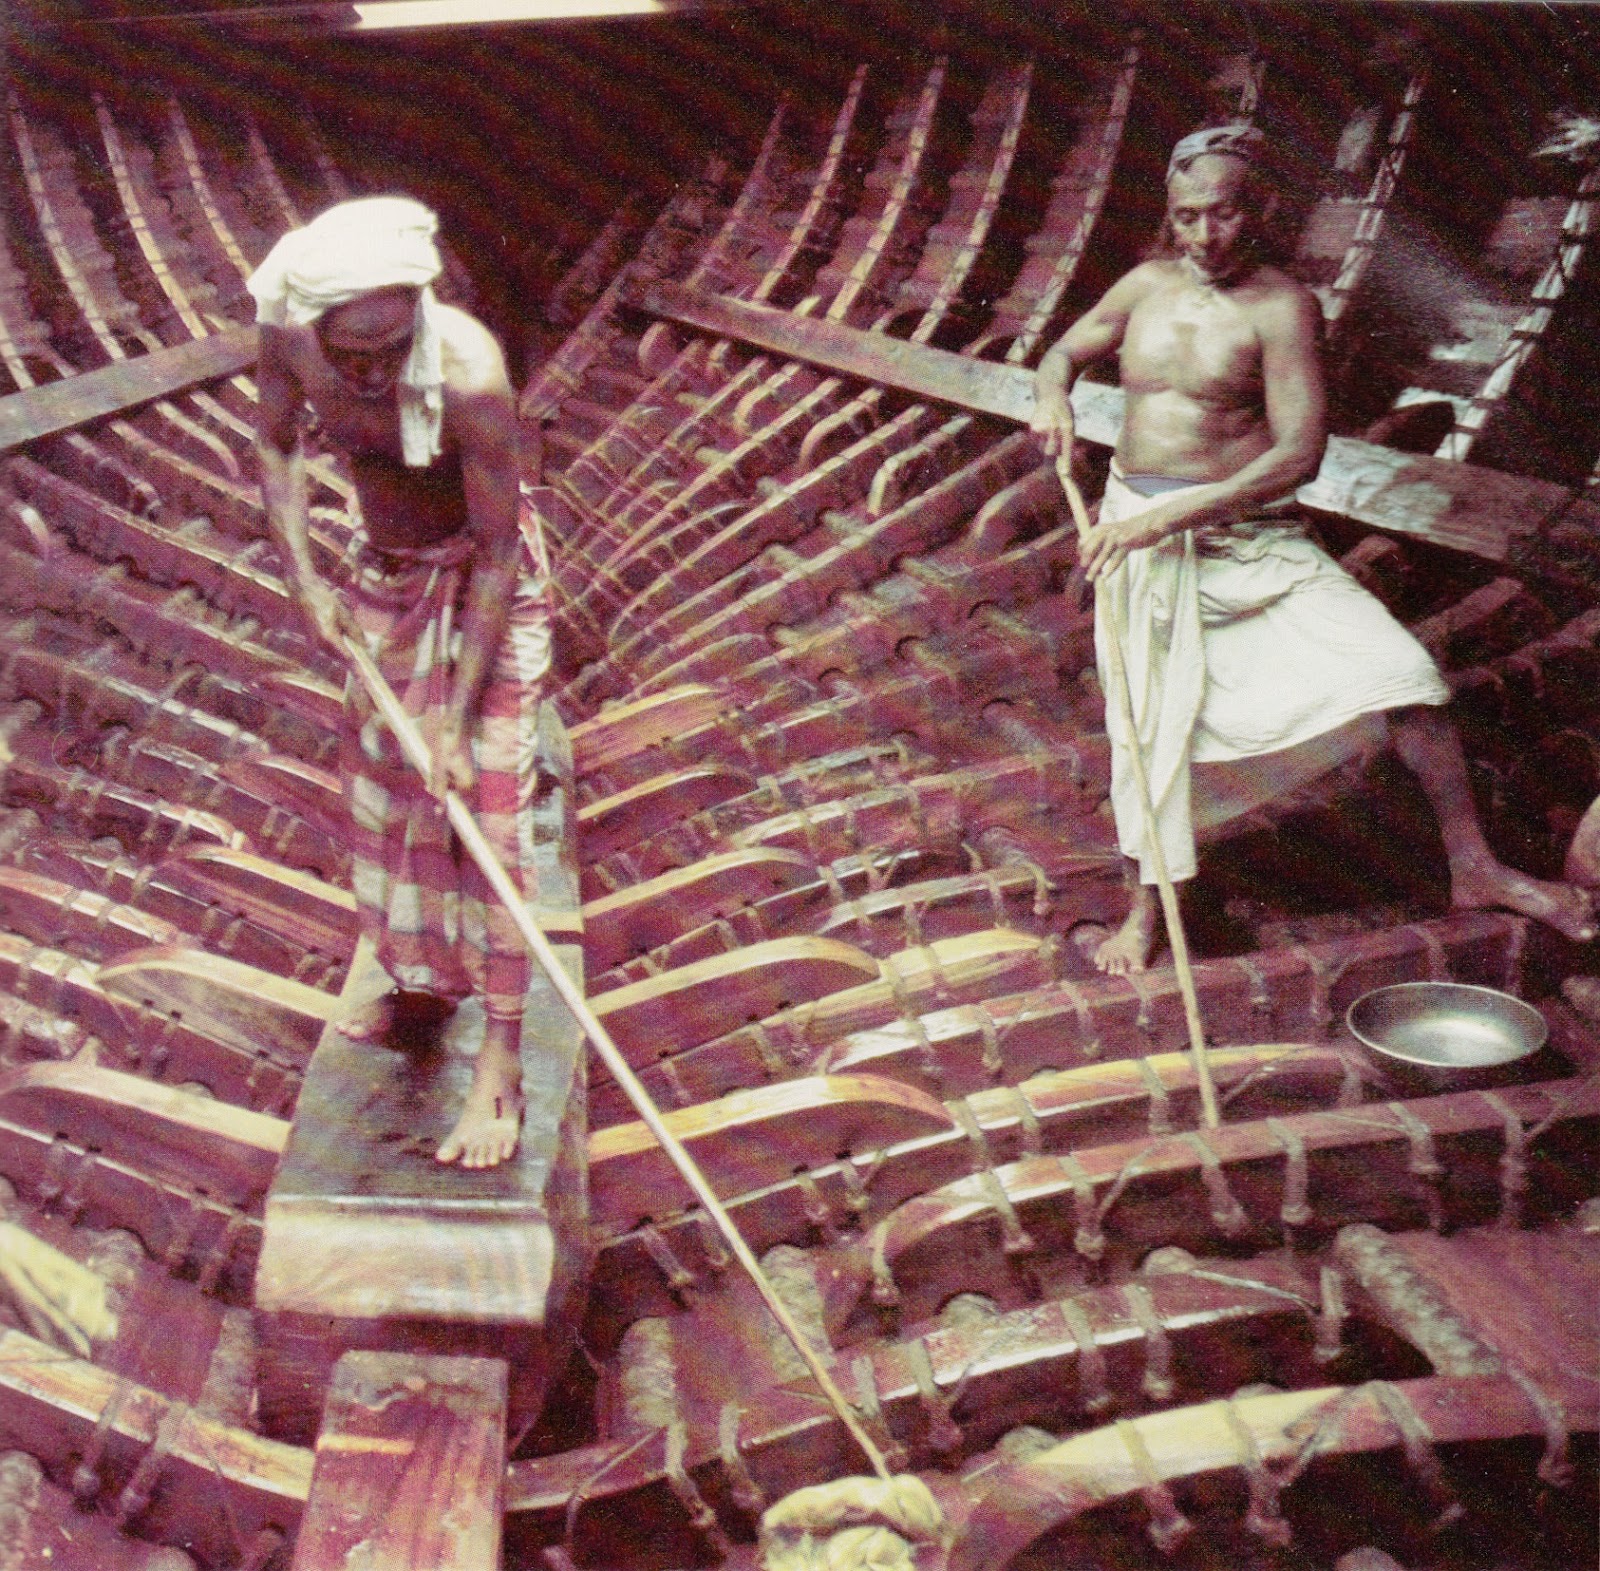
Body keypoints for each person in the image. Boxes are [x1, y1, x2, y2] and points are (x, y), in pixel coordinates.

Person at [1030, 124, 1594, 974]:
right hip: (1138, 534)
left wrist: (1170, 518)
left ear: (1259, 210)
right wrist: (1052, 398)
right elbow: (1064, 350)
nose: (1203, 236)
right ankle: (1147, 914)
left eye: (1222, 215)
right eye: (1187, 217)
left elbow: (1297, 454)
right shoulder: (1145, 284)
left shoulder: (1282, 306)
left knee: (1405, 677)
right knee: (1146, 731)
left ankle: (1474, 866)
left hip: (1242, 538)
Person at [251, 195, 552, 1168]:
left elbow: (502, 553)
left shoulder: (470, 376)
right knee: (388, 803)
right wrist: (306, 584)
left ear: (420, 305)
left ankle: (500, 1056)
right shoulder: (287, 335)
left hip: (482, 586)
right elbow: (276, 441)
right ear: (316, 329)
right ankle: (420, 984)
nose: (377, 372)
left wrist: (456, 722)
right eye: (355, 356)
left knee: (490, 817)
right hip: (380, 577)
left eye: (393, 345)